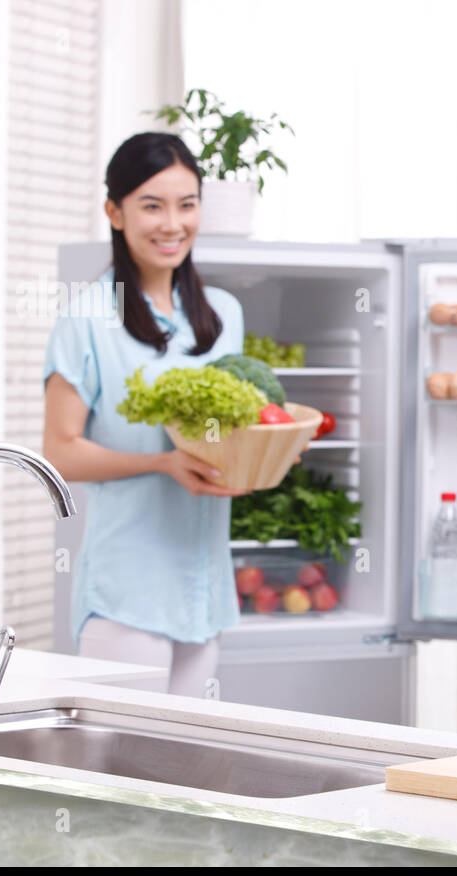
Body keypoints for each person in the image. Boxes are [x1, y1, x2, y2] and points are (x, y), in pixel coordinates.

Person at [42, 132, 285, 695]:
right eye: (152, 205)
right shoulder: (88, 319)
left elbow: (230, 432)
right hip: (128, 593)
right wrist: (163, 463)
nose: (172, 223)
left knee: (186, 772)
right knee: (121, 774)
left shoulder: (223, 315)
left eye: (187, 203)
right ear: (115, 212)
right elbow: (60, 452)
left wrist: (253, 462)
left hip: (204, 592)